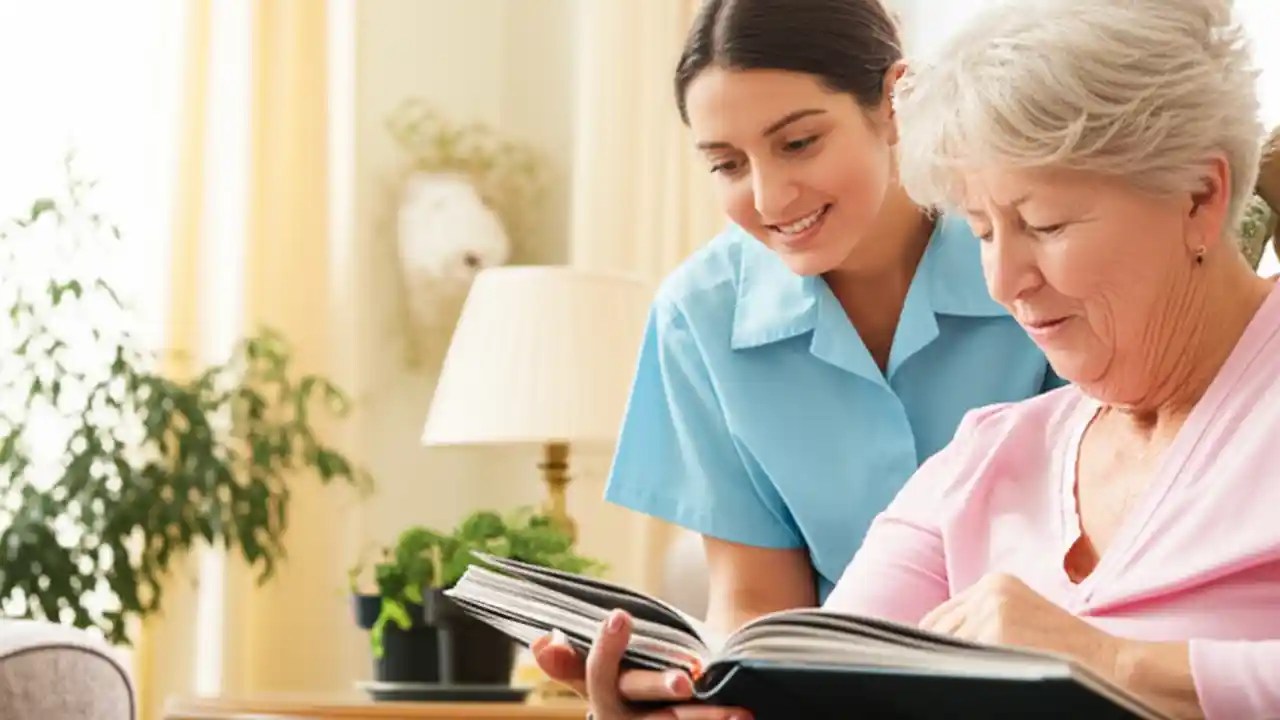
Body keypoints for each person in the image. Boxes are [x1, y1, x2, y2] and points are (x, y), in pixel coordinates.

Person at [543, 0, 1280, 717]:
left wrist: (1107, 661)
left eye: (1045, 224)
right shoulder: (982, 458)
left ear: (1200, 197)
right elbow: (804, 675)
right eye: (985, 231)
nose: (1003, 283)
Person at [592, 0, 1058, 647]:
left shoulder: (1037, 254)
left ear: (896, 102)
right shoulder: (697, 318)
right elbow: (757, 601)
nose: (768, 197)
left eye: (799, 143)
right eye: (727, 163)